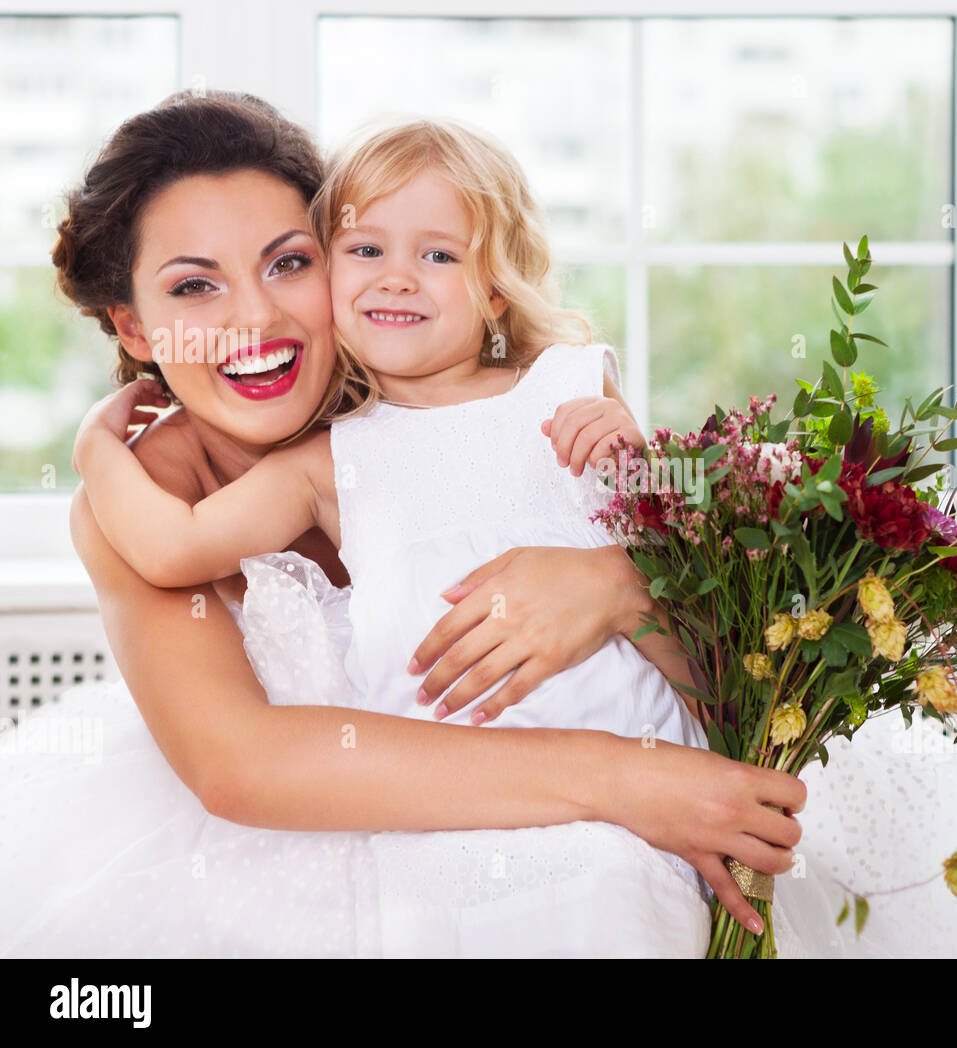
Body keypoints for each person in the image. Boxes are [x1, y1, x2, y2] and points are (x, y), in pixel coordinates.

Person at [0, 91, 802, 958]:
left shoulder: (501, 404)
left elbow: (723, 676)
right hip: (308, 886)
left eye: (289, 263)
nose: (255, 320)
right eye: (194, 286)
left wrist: (615, 584)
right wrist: (624, 778)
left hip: (605, 861)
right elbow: (241, 766)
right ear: (134, 327)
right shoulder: (152, 497)